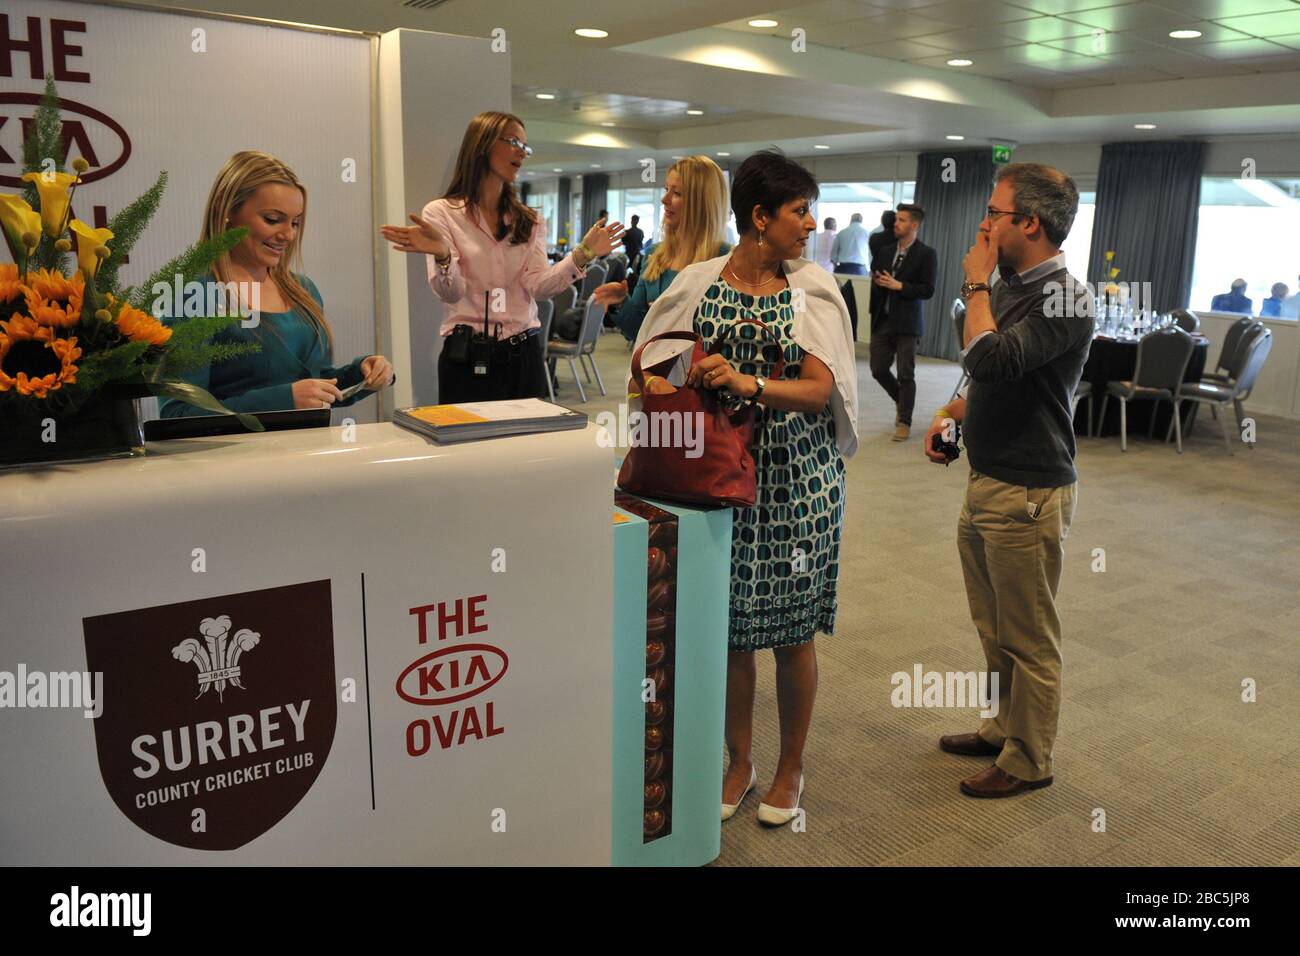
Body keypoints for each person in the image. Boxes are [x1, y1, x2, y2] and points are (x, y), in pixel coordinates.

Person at [627, 149, 859, 828]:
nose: (810, 224)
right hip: (722, 477)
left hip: (797, 481)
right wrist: (696, 368)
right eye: (798, 211)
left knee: (791, 634)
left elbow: (820, 391)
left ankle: (791, 766)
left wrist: (748, 383)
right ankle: (740, 760)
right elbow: (654, 366)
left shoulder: (812, 289)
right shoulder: (699, 282)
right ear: (759, 217)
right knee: (731, 632)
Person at [923, 162, 1092, 799]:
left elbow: (992, 358)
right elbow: (993, 382)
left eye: (995, 213)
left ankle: (1029, 760)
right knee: (993, 628)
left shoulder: (1066, 297)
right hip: (988, 478)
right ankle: (1001, 728)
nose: (984, 224)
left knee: (1028, 636)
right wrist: (954, 416)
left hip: (1028, 491)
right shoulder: (1013, 282)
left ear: (1030, 222)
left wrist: (974, 282)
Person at [381, 111, 623, 403]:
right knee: (469, 445)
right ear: (482, 144)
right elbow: (451, 292)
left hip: (524, 354)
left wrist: (583, 254)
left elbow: (538, 287)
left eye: (525, 147)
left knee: (525, 448)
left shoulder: (529, 219)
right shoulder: (442, 213)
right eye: (513, 142)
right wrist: (444, 255)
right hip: (467, 357)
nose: (521, 153)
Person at [160, 150, 394, 417]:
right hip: (240, 458)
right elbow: (177, 414)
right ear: (227, 212)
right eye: (273, 220)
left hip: (309, 453)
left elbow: (315, 385)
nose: (288, 234)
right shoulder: (195, 295)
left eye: (295, 222)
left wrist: (362, 373)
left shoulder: (303, 291)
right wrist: (284, 399)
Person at [594, 156, 729, 342]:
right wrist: (621, 302)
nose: (664, 199)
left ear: (701, 202)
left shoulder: (727, 259)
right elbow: (640, 331)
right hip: (653, 369)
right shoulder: (655, 255)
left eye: (677, 193)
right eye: (666, 190)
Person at [868, 202, 937, 441]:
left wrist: (900, 286)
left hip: (908, 322)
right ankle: (902, 400)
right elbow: (876, 272)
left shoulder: (926, 254)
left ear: (914, 225)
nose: (896, 224)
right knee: (877, 369)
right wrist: (879, 280)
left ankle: (904, 421)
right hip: (883, 319)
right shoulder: (886, 251)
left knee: (906, 373)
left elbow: (928, 289)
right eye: (896, 219)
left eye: (902, 220)